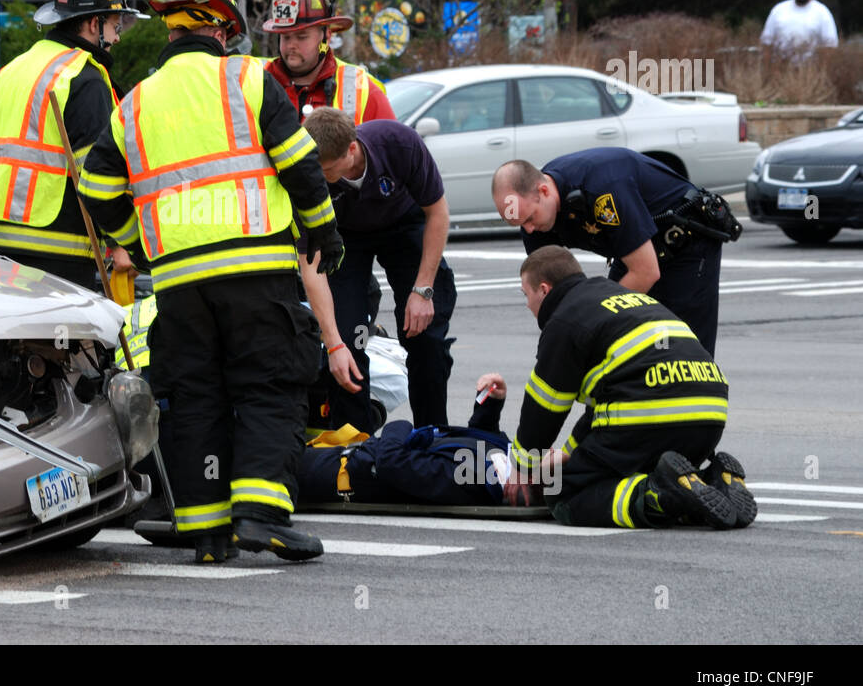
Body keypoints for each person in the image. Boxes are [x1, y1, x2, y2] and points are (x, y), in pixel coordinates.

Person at [78, 0, 345, 564]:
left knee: (196, 397)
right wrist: (323, 231)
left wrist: (140, 243)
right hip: (256, 272)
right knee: (268, 386)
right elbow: (300, 162)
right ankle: (260, 515)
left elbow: (96, 186)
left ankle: (206, 533)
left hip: (178, 283)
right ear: (221, 29)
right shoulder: (250, 79)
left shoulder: (136, 101)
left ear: (173, 32)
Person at [503, 245, 756, 529]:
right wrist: (570, 454)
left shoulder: (564, 319)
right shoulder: (617, 298)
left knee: (566, 492)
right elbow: (606, 404)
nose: (526, 305)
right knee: (640, 469)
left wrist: (522, 467)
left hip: (652, 415)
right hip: (708, 415)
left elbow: (543, 407)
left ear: (544, 290)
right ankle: (714, 482)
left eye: (526, 295)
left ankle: (659, 498)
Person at [0, 0, 139, 288]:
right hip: (60, 252)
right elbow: (99, 175)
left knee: (17, 339)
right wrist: (121, 244)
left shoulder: (14, 69)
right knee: (67, 340)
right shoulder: (84, 77)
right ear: (94, 24)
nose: (117, 39)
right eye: (116, 27)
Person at [491, 149, 741, 356]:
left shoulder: (601, 190)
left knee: (683, 351)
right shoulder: (532, 215)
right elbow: (548, 290)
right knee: (617, 347)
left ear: (544, 191)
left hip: (686, 245)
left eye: (531, 219)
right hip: (634, 248)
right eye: (520, 224)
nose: (529, 229)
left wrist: (589, 326)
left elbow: (645, 271)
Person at [302, 107, 456, 432]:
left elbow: (438, 214)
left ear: (352, 150)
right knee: (348, 343)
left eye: (327, 170)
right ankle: (356, 445)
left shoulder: (399, 144)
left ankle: (432, 436)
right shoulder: (307, 176)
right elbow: (311, 266)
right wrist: (333, 343)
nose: (320, 178)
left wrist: (423, 290)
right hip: (344, 238)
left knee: (425, 336)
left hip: (404, 225)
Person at [299, 373, 522, 507]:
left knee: (273, 465)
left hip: (341, 471)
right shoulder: (502, 464)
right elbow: (476, 444)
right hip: (352, 453)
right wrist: (491, 404)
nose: (549, 451)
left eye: (549, 458)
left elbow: (393, 462)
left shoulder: (471, 478)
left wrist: (401, 426)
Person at [261, 0, 395, 124]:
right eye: (285, 37)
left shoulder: (361, 89)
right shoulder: (258, 80)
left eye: (302, 37)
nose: (291, 45)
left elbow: (392, 142)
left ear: (327, 36)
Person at [760, 0, 838, 61]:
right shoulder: (779, 10)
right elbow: (766, 41)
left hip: (810, 70)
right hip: (780, 67)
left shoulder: (822, 12)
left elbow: (830, 45)